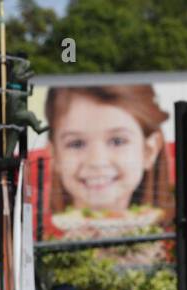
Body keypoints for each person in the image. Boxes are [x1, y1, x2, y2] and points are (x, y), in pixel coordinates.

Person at [44, 85, 169, 224]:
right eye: (76, 144)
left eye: (117, 141)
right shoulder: (26, 233)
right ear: (55, 155)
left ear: (148, 151)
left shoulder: (185, 233)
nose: (97, 161)